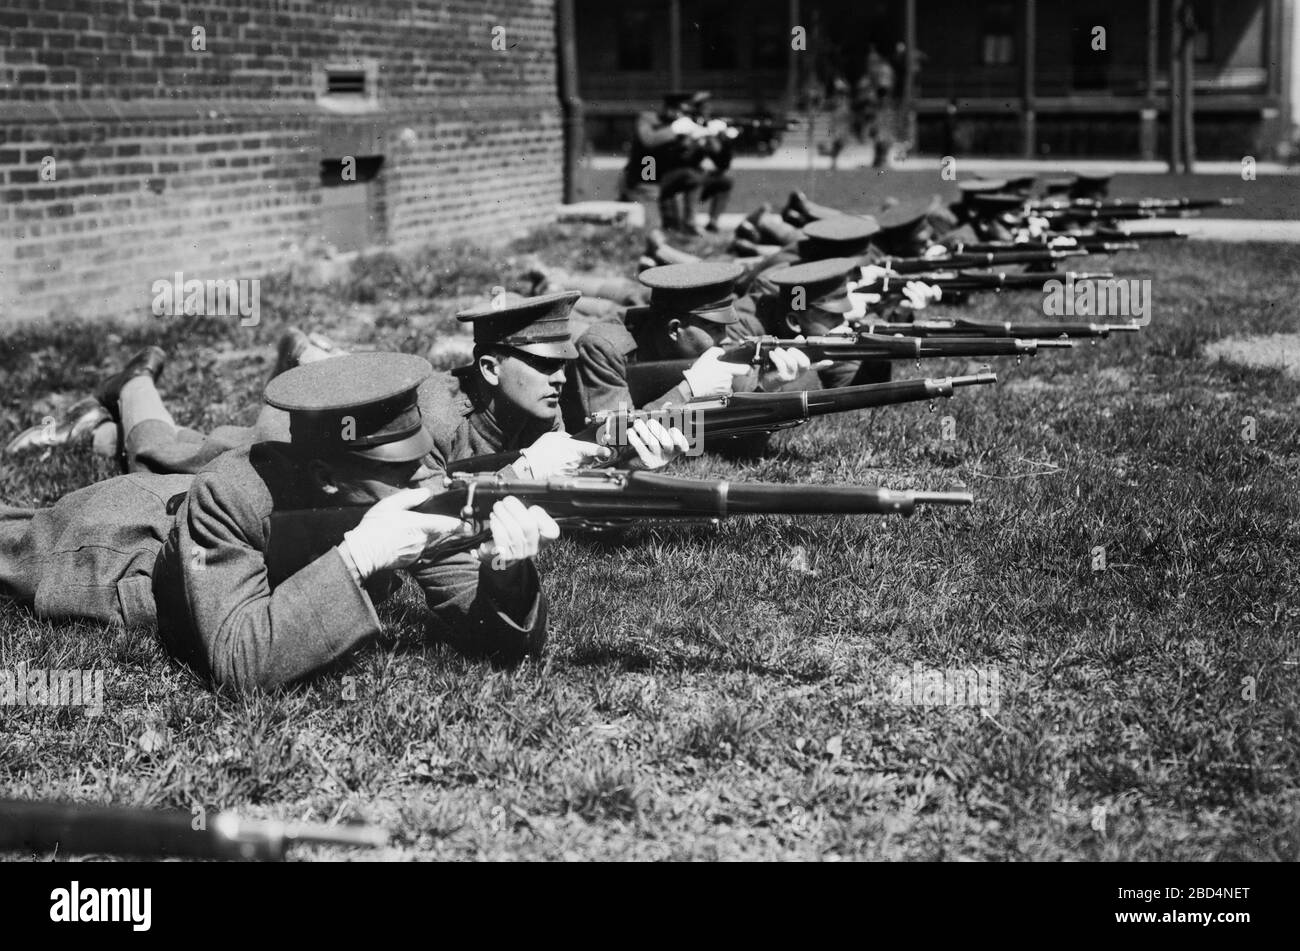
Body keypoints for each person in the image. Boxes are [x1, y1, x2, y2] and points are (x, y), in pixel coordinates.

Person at [0, 353, 559, 692]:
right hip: (117, 544)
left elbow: (488, 633)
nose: (424, 477)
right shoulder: (233, 493)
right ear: (327, 475)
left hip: (181, 505)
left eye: (420, 458)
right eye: (400, 468)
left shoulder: (408, 477)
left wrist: (506, 574)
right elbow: (239, 659)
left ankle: (111, 415)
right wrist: (359, 556)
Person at [426, 290, 688, 472]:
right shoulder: (437, 420)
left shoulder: (542, 410)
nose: (560, 378)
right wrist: (522, 473)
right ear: (491, 369)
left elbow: (565, 497)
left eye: (562, 365)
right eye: (543, 365)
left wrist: (630, 466)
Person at [563, 262, 813, 426]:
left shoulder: (714, 351)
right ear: (674, 329)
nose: (726, 338)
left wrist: (766, 388)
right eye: (714, 328)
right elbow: (611, 438)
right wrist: (688, 390)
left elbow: (731, 440)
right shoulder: (603, 348)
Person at [619, 91, 704, 235]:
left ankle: (689, 224)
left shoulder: (678, 129)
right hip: (643, 183)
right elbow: (648, 141)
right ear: (669, 108)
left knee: (693, 176)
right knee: (652, 229)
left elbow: (685, 159)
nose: (682, 116)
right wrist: (674, 129)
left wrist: (697, 141)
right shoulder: (647, 118)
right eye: (680, 111)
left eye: (686, 113)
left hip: (663, 182)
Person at [687, 91, 736, 232]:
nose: (705, 110)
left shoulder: (714, 127)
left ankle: (713, 222)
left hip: (706, 177)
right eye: (701, 107)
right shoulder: (686, 125)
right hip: (688, 177)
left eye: (707, 106)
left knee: (726, 180)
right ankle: (690, 223)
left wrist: (716, 140)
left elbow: (724, 161)